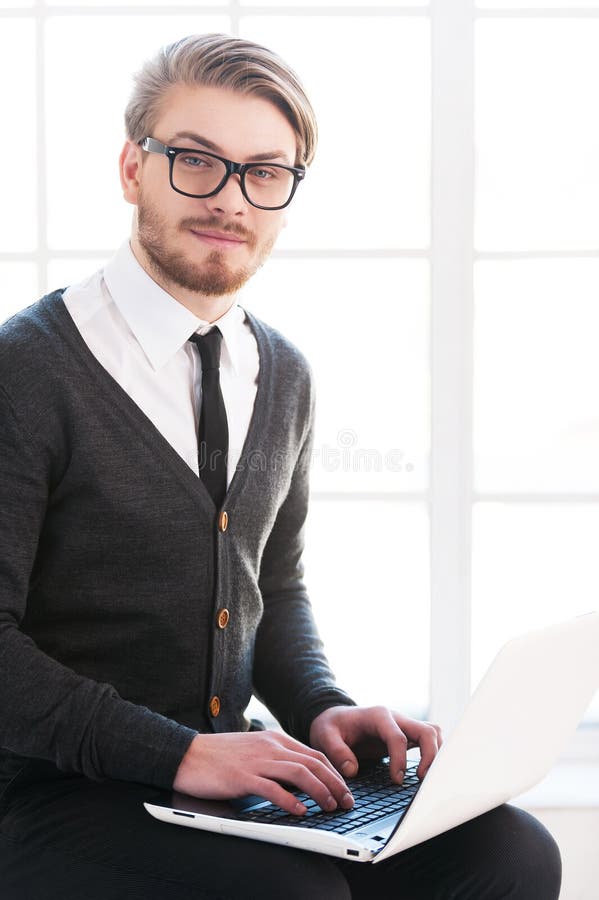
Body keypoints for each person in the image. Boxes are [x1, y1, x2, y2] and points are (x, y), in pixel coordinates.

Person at [0, 33, 561, 900]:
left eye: (264, 172)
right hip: (51, 788)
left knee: (509, 853)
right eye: (196, 160)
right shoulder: (28, 370)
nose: (229, 198)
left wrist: (319, 711)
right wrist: (180, 753)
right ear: (130, 169)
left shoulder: (282, 371)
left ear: (287, 194)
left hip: (231, 776)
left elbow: (274, 588)